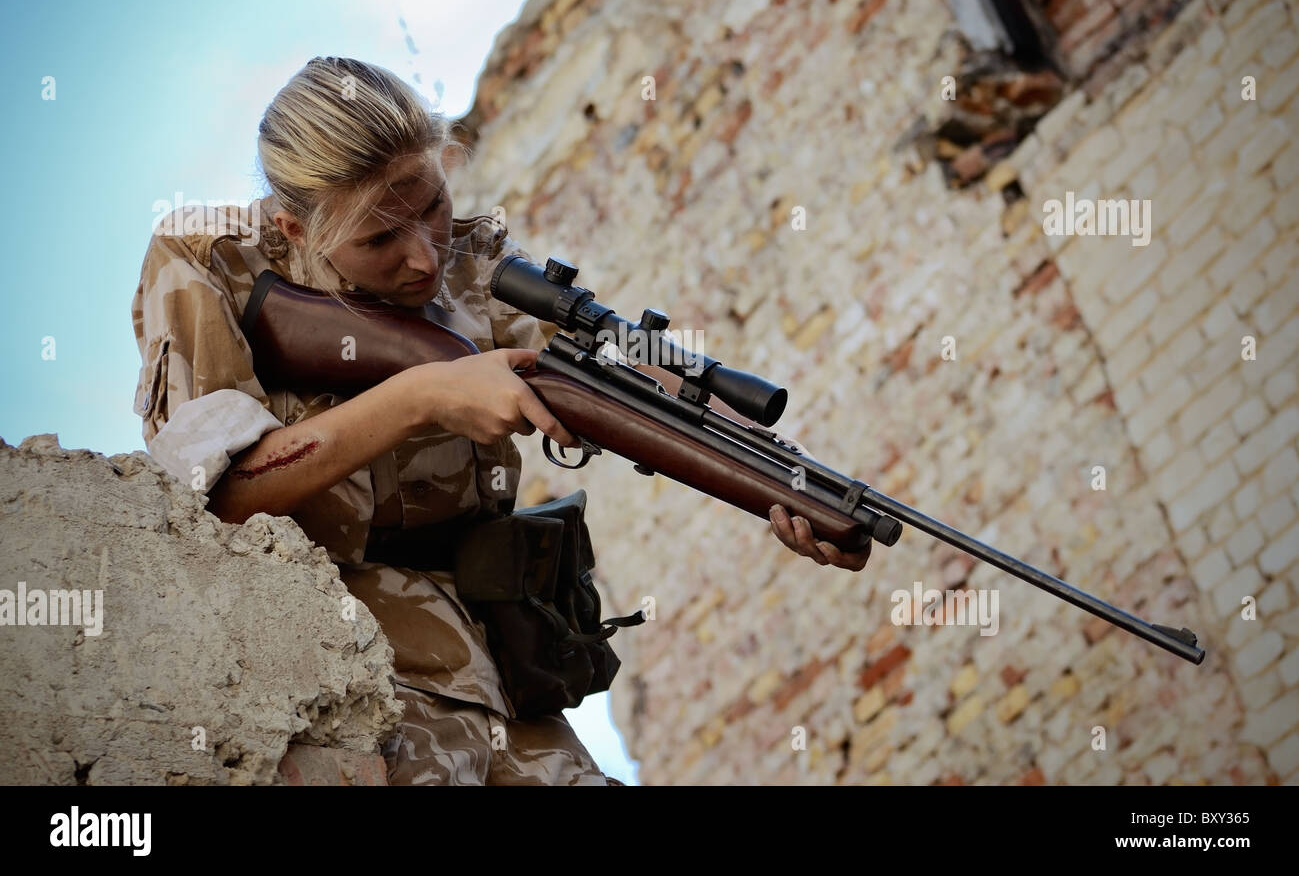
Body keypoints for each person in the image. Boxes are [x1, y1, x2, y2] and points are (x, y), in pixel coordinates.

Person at [130, 56, 870, 786]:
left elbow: (640, 390)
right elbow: (218, 500)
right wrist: (424, 395)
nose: (424, 257)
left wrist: (787, 482)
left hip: (497, 653)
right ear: (295, 226)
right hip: (330, 656)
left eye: (430, 207)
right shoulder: (209, 261)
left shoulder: (480, 261)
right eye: (380, 239)